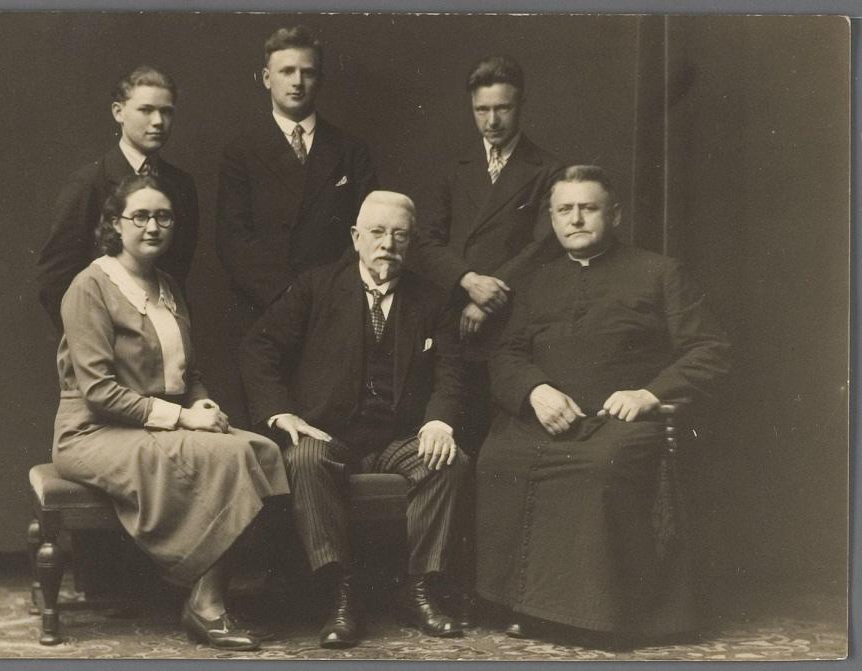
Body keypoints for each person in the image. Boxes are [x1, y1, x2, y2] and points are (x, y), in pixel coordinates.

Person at [475, 165, 732, 644]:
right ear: (551, 219)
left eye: (588, 208)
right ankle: (518, 605)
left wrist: (648, 393)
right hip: (547, 416)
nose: (576, 219)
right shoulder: (537, 280)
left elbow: (709, 349)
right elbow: (507, 353)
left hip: (622, 419)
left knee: (597, 466)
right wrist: (534, 391)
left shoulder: (659, 271)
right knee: (498, 458)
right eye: (564, 210)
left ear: (613, 215)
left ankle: (588, 616)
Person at [52, 174, 288, 651]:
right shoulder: (90, 286)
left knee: (260, 450)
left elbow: (188, 370)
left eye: (163, 216)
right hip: (93, 432)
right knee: (226, 457)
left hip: (153, 423)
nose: (153, 226)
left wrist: (200, 401)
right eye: (140, 216)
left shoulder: (169, 286)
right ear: (115, 225)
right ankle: (208, 607)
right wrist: (183, 418)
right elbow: (98, 392)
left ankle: (207, 593)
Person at [240, 191, 469, 648]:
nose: (388, 244)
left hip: (397, 437)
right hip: (330, 433)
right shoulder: (316, 286)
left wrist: (439, 420)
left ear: (412, 242)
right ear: (356, 237)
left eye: (400, 235)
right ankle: (338, 593)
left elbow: (452, 370)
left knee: (450, 460)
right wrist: (280, 412)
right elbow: (258, 346)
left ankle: (419, 588)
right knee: (304, 458)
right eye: (378, 233)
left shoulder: (434, 300)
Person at [413, 55, 563, 454]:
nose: (492, 120)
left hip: (510, 318)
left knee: (501, 442)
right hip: (453, 315)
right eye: (482, 110)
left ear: (521, 104)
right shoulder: (454, 168)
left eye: (503, 108)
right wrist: (468, 281)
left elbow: (545, 246)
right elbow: (425, 241)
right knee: (452, 432)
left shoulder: (546, 169)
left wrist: (489, 298)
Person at [216, 24, 377, 329]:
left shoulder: (350, 150)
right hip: (263, 309)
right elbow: (232, 239)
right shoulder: (241, 152)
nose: (297, 82)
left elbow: (369, 230)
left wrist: (328, 293)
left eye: (308, 72)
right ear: (266, 78)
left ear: (320, 79)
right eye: (287, 71)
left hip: (334, 308)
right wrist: (287, 295)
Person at [38, 66, 199, 332]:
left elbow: (177, 273)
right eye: (146, 110)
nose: (158, 121)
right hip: (106, 344)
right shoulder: (89, 183)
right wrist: (90, 341)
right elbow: (54, 279)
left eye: (166, 111)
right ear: (118, 112)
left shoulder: (181, 185)